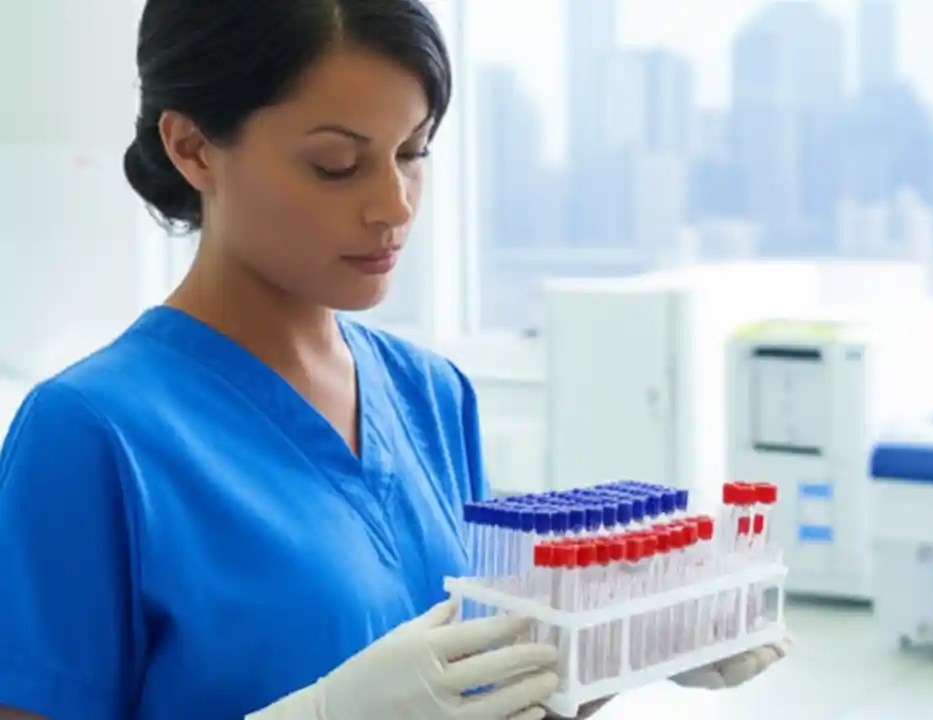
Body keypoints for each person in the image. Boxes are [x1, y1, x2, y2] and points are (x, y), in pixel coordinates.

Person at [0, 1, 788, 719]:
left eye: (413, 153)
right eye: (336, 165)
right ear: (194, 148)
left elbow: (476, 690)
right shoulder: (89, 435)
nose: (395, 206)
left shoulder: (431, 395)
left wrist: (605, 655)